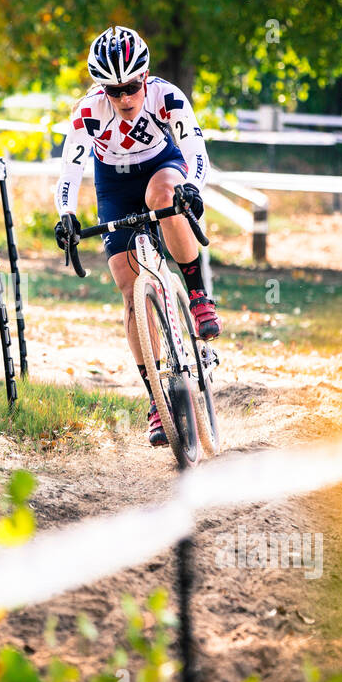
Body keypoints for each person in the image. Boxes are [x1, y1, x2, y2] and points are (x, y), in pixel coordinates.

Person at [53, 26, 221, 449]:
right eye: (114, 90)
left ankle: (197, 294)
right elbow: (69, 173)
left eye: (131, 86)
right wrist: (66, 215)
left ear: (144, 77)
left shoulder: (168, 97)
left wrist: (193, 188)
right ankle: (156, 399)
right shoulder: (87, 113)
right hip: (113, 184)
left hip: (161, 166)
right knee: (130, 292)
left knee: (161, 195)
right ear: (101, 88)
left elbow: (196, 152)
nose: (125, 98)